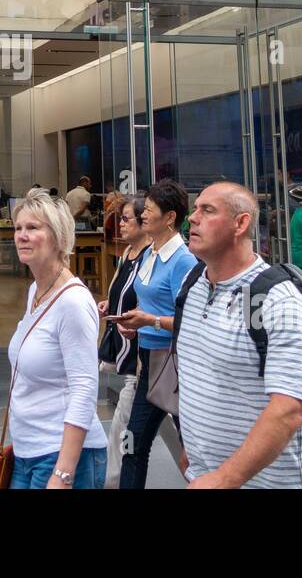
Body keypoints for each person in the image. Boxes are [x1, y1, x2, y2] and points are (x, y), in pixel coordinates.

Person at [174, 183, 302, 488]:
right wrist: (193, 447)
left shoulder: (275, 299)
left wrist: (225, 476)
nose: (192, 218)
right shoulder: (192, 282)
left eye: (207, 211)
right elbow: (203, 375)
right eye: (195, 209)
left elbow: (288, 410)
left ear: (241, 223)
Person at [6, 189, 107, 488]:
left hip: (60, 455)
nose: (21, 236)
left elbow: (84, 387)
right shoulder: (36, 292)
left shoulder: (73, 302)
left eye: (33, 228)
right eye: (18, 228)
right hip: (27, 450)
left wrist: (63, 473)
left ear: (59, 238)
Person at [112, 178, 199, 489]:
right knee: (133, 444)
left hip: (177, 365)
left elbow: (191, 320)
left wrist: (151, 321)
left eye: (148, 210)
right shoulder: (150, 252)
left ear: (170, 217)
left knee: (198, 453)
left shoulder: (183, 261)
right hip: (148, 359)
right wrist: (134, 324)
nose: (142, 215)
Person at [97, 195, 151, 488]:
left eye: (126, 218)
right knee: (133, 425)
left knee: (125, 426)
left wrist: (146, 322)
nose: (120, 224)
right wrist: (110, 303)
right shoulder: (128, 254)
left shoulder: (153, 258)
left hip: (146, 359)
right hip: (132, 358)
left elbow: (155, 304)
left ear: (145, 223)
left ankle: (112, 482)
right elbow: (122, 292)